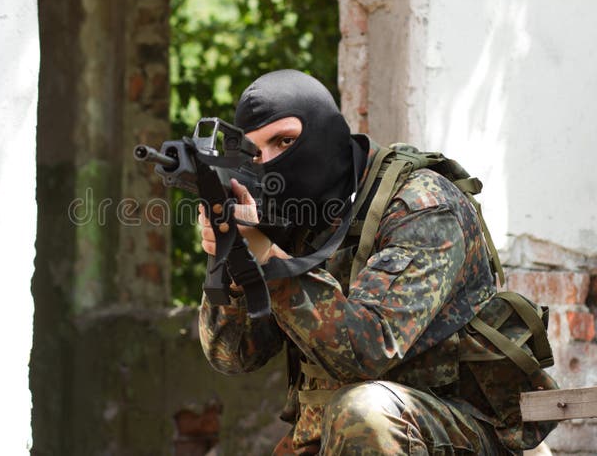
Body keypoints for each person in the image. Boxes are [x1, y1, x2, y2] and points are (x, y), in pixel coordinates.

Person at [196, 69, 510, 454]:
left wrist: (267, 257)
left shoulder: (421, 204)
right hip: (329, 438)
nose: (272, 161)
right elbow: (235, 355)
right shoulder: (294, 214)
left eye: (285, 140)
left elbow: (368, 353)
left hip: (450, 431)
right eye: (257, 152)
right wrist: (228, 258)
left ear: (325, 131)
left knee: (364, 410)